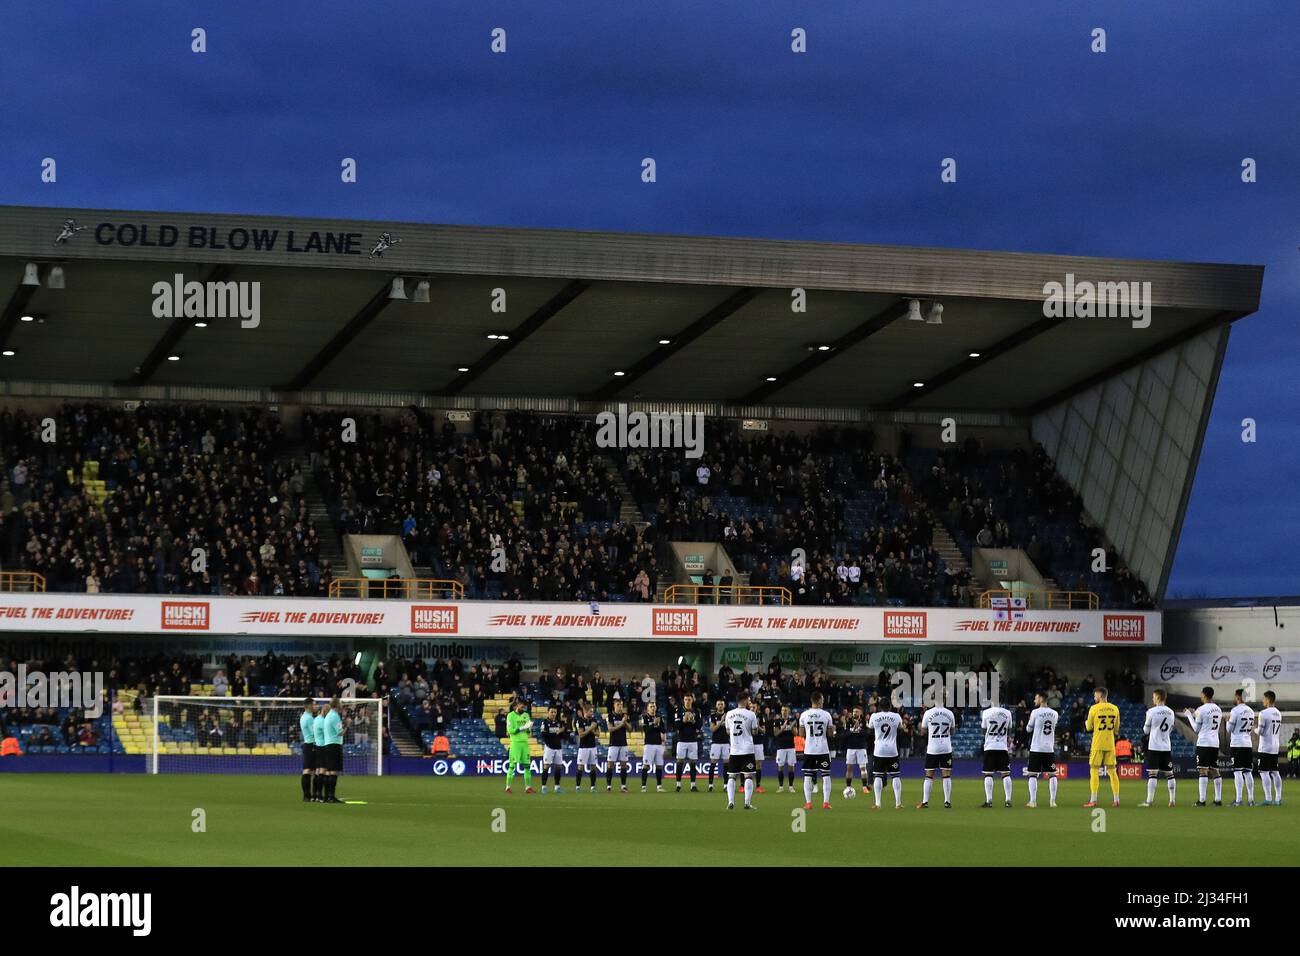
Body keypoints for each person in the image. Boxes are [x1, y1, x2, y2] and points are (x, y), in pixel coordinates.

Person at [1184, 687, 1224, 807]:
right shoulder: (1218, 709)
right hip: (1214, 743)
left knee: (1203, 769)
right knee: (1215, 769)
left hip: (1204, 742)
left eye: (1201, 694)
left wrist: (1189, 715)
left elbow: (1196, 728)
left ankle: (1202, 800)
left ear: (1204, 695)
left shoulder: (1201, 709)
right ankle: (1218, 800)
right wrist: (1195, 713)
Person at [1083, 686, 1121, 808]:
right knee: (1112, 772)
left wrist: (1086, 722)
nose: (1094, 697)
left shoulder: (1094, 708)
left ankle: (1093, 800)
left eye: (1095, 695)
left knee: (1094, 770)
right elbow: (1116, 729)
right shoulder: (1115, 708)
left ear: (1100, 696)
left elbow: (1088, 727)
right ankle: (1116, 799)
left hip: (1098, 744)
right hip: (1110, 744)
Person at [723, 690, 760, 810]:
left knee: (732, 776)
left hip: (734, 749)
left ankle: (730, 802)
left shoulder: (729, 714)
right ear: (744, 700)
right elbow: (754, 731)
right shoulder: (751, 714)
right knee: (748, 776)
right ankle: (747, 803)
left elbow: (728, 731)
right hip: (747, 749)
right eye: (748, 700)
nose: (749, 702)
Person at [1140, 689, 1176, 808]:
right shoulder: (1171, 712)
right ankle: (1172, 800)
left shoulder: (1151, 712)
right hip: (1166, 746)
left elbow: (1146, 731)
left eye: (1154, 696)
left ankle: (1149, 801)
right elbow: (1171, 729)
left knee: (1152, 774)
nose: (1152, 698)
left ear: (1158, 697)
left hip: (1154, 746)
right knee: (1169, 774)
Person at [918, 700, 956, 810]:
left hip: (933, 748)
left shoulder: (928, 713)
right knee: (946, 775)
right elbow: (952, 732)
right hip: (946, 747)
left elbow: (923, 732)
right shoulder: (950, 713)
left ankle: (925, 802)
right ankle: (947, 801)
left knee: (929, 775)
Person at [1024, 691, 1059, 809]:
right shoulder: (1055, 713)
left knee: (1032, 774)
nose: (1034, 700)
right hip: (1049, 748)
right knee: (1052, 774)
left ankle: (1033, 801)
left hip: (1036, 748)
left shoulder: (1035, 712)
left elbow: (1028, 729)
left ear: (1040, 698)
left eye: (1035, 698)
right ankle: (1052, 801)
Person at [799, 692, 834, 810]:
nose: (823, 701)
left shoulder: (804, 715)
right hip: (823, 749)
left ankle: (808, 803)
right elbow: (830, 734)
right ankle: (826, 803)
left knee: (808, 776)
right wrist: (831, 729)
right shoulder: (827, 715)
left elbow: (801, 734)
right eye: (822, 699)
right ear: (819, 700)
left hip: (809, 749)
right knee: (826, 775)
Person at [869, 699, 904, 810]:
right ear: (890, 706)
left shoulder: (874, 716)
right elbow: (901, 728)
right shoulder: (896, 716)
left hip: (879, 751)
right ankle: (898, 803)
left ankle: (878, 803)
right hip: (892, 750)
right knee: (895, 776)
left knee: (878, 776)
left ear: (880, 707)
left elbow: (870, 728)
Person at [979, 700, 1013, 808]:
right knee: (1006, 774)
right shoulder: (1008, 713)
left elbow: (983, 731)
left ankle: (989, 801)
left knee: (988, 773)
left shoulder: (986, 712)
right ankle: (1008, 800)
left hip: (990, 746)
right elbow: (1009, 730)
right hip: (1002, 747)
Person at [1226, 689, 1257, 807]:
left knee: (1238, 771)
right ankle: (1251, 799)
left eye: (1235, 697)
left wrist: (1228, 721)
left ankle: (1238, 800)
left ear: (1238, 697)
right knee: (1248, 772)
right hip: (1247, 744)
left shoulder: (1235, 711)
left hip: (1237, 744)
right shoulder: (1251, 711)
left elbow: (1229, 729)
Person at [504, 697, 535, 794]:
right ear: (517, 705)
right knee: (512, 766)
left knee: (527, 766)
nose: (523, 707)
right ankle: (508, 787)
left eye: (524, 706)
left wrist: (529, 728)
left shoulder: (526, 715)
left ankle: (528, 787)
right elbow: (510, 731)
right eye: (522, 705)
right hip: (515, 743)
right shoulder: (510, 715)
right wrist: (522, 727)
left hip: (525, 743)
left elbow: (528, 732)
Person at [1257, 691, 1283, 805]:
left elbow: (1261, 731)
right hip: (1275, 746)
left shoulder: (1263, 713)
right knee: (1275, 772)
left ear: (1268, 699)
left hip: (1265, 746)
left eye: (1264, 698)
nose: (1262, 700)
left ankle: (1268, 798)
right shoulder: (1278, 713)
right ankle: (1278, 798)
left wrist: (1254, 730)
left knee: (1264, 772)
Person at [319, 697, 345, 804]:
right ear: (337, 705)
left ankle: (326, 796)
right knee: (333, 771)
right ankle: (331, 796)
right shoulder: (335, 716)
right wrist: (347, 725)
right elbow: (340, 732)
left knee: (328, 771)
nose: (342, 705)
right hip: (334, 745)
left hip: (327, 745)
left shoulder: (328, 715)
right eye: (340, 703)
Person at [674, 693, 701, 793]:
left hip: (693, 740)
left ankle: (693, 785)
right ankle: (678, 785)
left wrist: (693, 721)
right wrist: (684, 721)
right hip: (682, 740)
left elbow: (699, 725)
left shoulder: (696, 711)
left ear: (692, 700)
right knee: (679, 762)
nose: (687, 701)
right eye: (686, 699)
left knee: (693, 763)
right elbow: (677, 725)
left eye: (689, 699)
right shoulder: (679, 711)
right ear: (683, 700)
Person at [537, 705, 568, 794]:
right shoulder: (544, 722)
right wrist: (557, 731)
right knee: (546, 766)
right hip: (549, 747)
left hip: (558, 748)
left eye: (555, 712)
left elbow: (564, 736)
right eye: (552, 712)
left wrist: (564, 730)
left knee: (558, 767)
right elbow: (544, 735)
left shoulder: (559, 723)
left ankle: (557, 787)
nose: (553, 714)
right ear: (548, 712)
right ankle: (544, 787)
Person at [842, 706, 870, 796]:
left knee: (863, 768)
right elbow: (844, 735)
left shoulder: (864, 723)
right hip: (850, 748)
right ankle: (848, 787)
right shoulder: (848, 722)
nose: (854, 713)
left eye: (857, 711)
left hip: (861, 748)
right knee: (849, 768)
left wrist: (860, 729)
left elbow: (867, 735)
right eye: (854, 711)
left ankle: (865, 787)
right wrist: (852, 730)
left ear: (860, 713)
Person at [605, 699, 631, 793]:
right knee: (610, 764)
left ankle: (623, 786)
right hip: (613, 744)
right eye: (618, 704)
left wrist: (625, 722)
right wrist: (621, 724)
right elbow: (610, 729)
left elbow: (630, 729)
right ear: (614, 705)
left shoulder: (625, 716)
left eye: (621, 705)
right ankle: (609, 786)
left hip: (623, 743)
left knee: (623, 765)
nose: (620, 706)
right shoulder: (610, 716)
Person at [640, 701, 667, 792]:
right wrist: (653, 724)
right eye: (651, 706)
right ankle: (643, 786)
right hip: (649, 745)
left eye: (654, 706)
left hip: (658, 744)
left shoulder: (659, 717)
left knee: (659, 766)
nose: (653, 708)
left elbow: (664, 730)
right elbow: (646, 730)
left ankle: (659, 786)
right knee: (646, 766)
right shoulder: (644, 717)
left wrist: (657, 725)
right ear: (647, 708)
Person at [574, 701, 600, 793]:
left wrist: (592, 730)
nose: (592, 713)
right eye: (590, 711)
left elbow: (598, 734)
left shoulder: (594, 720)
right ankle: (578, 786)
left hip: (593, 747)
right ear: (585, 711)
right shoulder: (579, 721)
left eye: (592, 711)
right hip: (583, 747)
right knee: (580, 767)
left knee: (593, 767)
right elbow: (581, 735)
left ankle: (593, 787)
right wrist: (591, 728)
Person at [773, 705, 797, 793]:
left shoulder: (792, 721)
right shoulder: (777, 721)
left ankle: (791, 786)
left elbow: (796, 733)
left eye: (785, 710)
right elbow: (775, 733)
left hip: (791, 747)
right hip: (781, 747)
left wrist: (791, 727)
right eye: (782, 710)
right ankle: (781, 786)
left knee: (791, 767)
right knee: (780, 767)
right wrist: (782, 728)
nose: (784, 712)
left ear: (789, 711)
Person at [299, 698, 318, 802]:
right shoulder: (309, 718)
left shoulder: (304, 716)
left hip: (307, 744)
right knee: (312, 770)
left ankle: (307, 795)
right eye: (314, 704)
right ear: (309, 705)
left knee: (308, 769)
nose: (316, 706)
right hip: (312, 745)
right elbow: (314, 733)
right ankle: (311, 795)